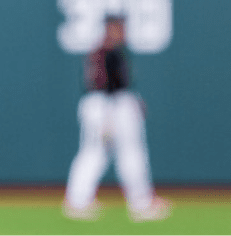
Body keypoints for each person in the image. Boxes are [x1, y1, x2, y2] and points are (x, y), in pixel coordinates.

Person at [62, 14, 171, 222]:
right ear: (111, 28)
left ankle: (79, 200)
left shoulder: (102, 50)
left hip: (103, 104)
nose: (124, 31)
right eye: (120, 27)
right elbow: (107, 87)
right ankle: (140, 202)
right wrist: (108, 117)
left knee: (97, 153)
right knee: (123, 152)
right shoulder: (108, 51)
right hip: (109, 106)